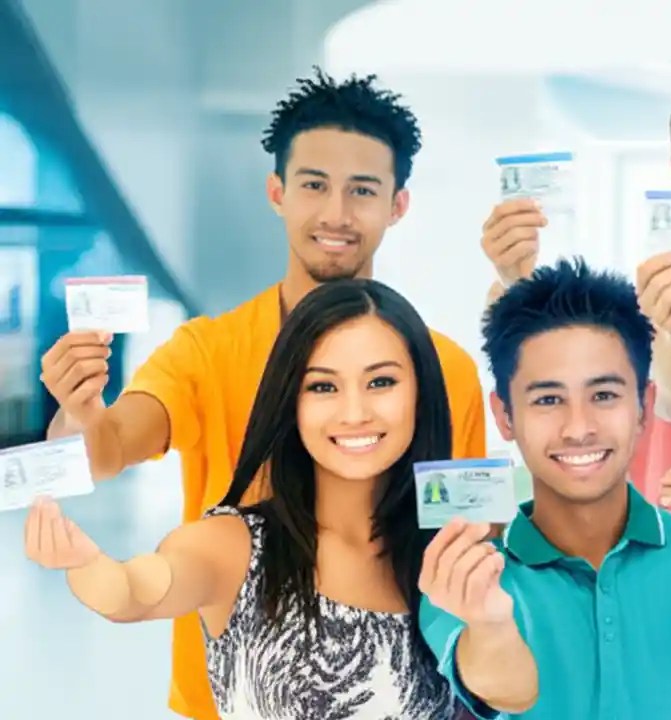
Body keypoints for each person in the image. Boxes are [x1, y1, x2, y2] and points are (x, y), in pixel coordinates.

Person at [35, 69, 487, 720]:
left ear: (397, 205)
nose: (336, 214)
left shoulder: (447, 370)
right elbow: (104, 451)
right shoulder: (207, 350)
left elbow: (462, 529)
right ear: (278, 192)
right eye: (314, 185)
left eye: (362, 190)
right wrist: (81, 410)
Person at [25, 279, 460, 719]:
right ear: (290, 401)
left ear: (421, 393)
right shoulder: (236, 546)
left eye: (381, 382)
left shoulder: (447, 552)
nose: (354, 413)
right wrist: (87, 565)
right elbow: (136, 591)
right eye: (323, 387)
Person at [416, 258, 671, 719]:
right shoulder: (465, 574)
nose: (579, 428)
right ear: (504, 416)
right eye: (548, 399)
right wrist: (490, 619)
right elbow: (506, 692)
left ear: (644, 406)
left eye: (604, 395)